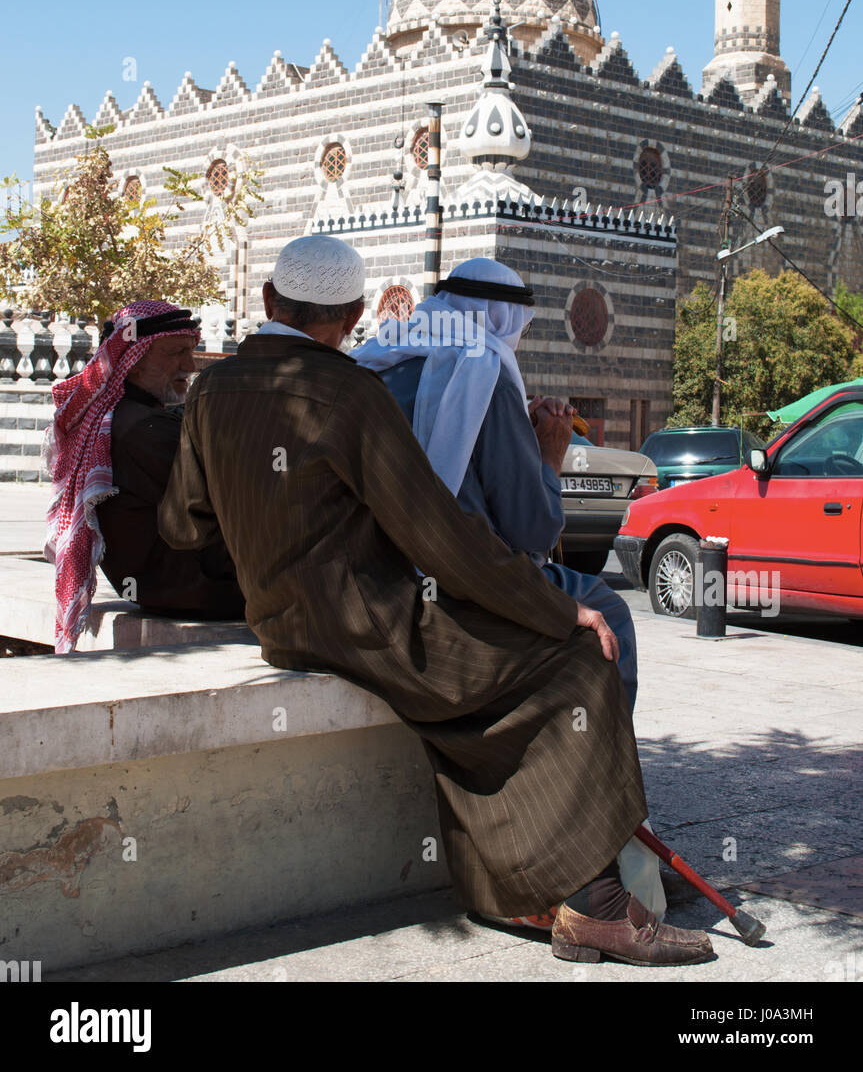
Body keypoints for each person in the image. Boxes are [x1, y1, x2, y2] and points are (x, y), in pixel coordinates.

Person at [158, 236, 713, 965]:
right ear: (354, 312)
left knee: (521, 671)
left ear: (268, 302)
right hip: (368, 622)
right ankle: (595, 904)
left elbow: (182, 525)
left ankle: (543, 889)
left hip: (282, 623)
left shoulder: (212, 392)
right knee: (579, 660)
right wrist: (557, 609)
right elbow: (436, 534)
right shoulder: (346, 392)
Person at [353, 257, 639, 712]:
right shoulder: (487, 373)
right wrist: (548, 452)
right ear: (501, 317)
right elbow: (533, 531)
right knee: (612, 610)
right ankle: (604, 754)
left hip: (375, 572)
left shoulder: (379, 357)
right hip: (466, 579)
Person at [44, 300, 244, 653]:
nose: (189, 365)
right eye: (175, 353)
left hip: (166, 586)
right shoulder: (141, 429)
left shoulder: (129, 418)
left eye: (190, 351)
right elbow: (220, 500)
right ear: (132, 362)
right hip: (190, 588)